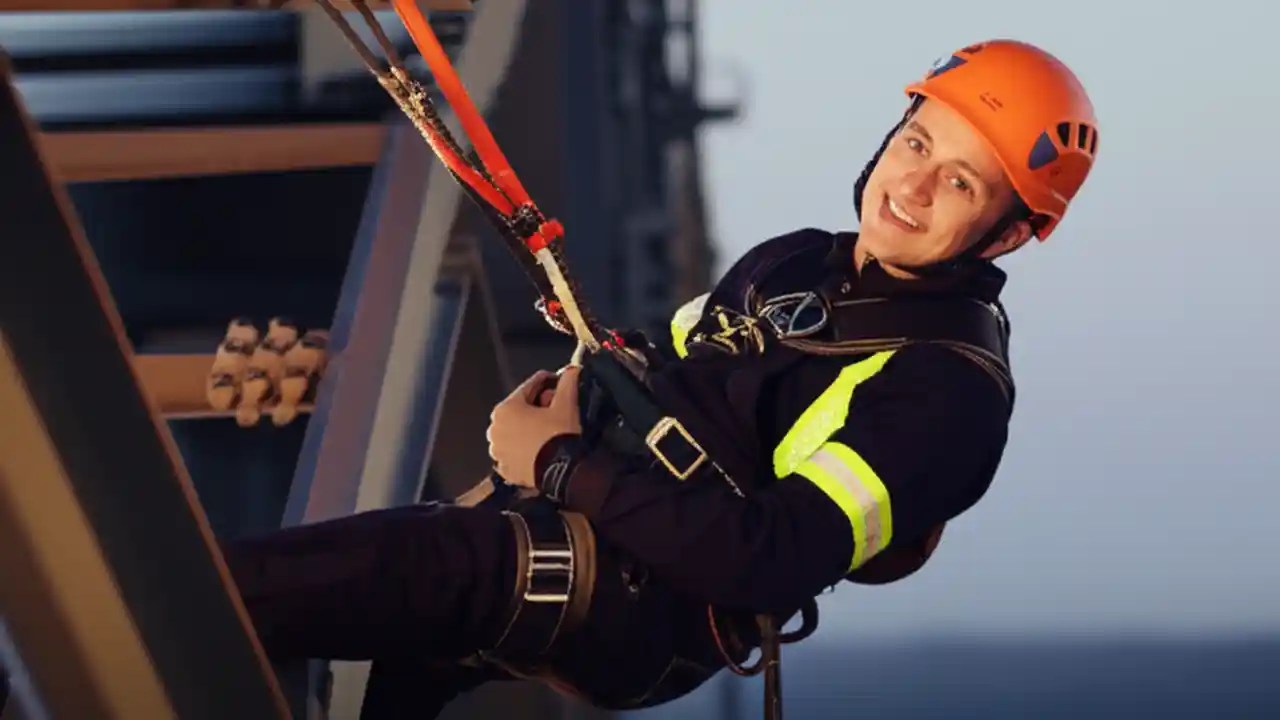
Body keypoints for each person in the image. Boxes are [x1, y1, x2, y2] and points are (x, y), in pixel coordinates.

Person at [222, 38, 1099, 717]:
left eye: (960, 183)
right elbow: (670, 358)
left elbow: (770, 561)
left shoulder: (949, 395)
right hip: (588, 517)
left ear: (1009, 234)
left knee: (369, 573)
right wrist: (575, 390)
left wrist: (559, 462)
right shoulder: (796, 260)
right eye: (916, 141)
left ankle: (143, 614)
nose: (912, 184)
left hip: (642, 606)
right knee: (377, 663)